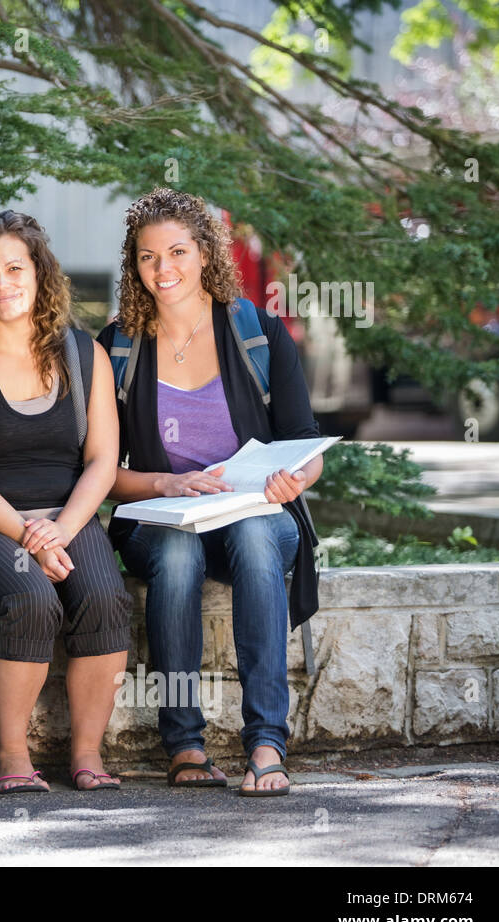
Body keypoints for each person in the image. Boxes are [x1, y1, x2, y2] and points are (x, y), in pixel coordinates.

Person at [99, 187, 324, 796]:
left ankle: (266, 742)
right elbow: (98, 469)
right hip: (162, 516)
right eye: (148, 257)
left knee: (255, 539)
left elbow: (305, 447)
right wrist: (164, 481)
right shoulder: (117, 345)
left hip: (253, 511)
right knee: (175, 553)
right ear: (134, 264)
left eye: (177, 251)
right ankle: (185, 743)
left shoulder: (257, 332)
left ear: (204, 252)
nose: (163, 269)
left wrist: (291, 479)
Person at [0, 211, 132, 794]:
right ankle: (11, 755)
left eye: (15, 268)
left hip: (68, 516)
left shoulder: (83, 355)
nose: (2, 284)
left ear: (40, 273)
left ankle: (87, 755)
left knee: (103, 597)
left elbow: (101, 461)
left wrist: (62, 530)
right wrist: (27, 536)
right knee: (31, 599)